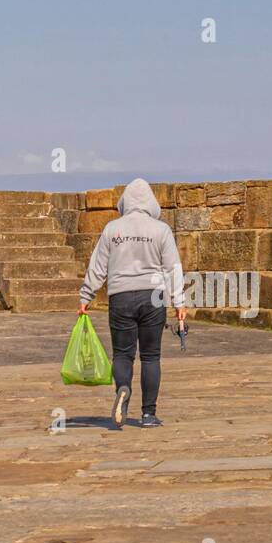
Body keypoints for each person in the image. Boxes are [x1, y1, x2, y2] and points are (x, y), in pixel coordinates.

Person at [77, 178, 187, 428]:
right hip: (153, 297)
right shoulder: (160, 230)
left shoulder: (112, 229)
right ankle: (148, 414)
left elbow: (98, 266)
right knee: (150, 357)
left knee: (123, 355)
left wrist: (86, 296)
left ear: (125, 202)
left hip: (121, 296)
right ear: (151, 203)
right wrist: (180, 303)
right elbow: (173, 269)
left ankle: (123, 389)